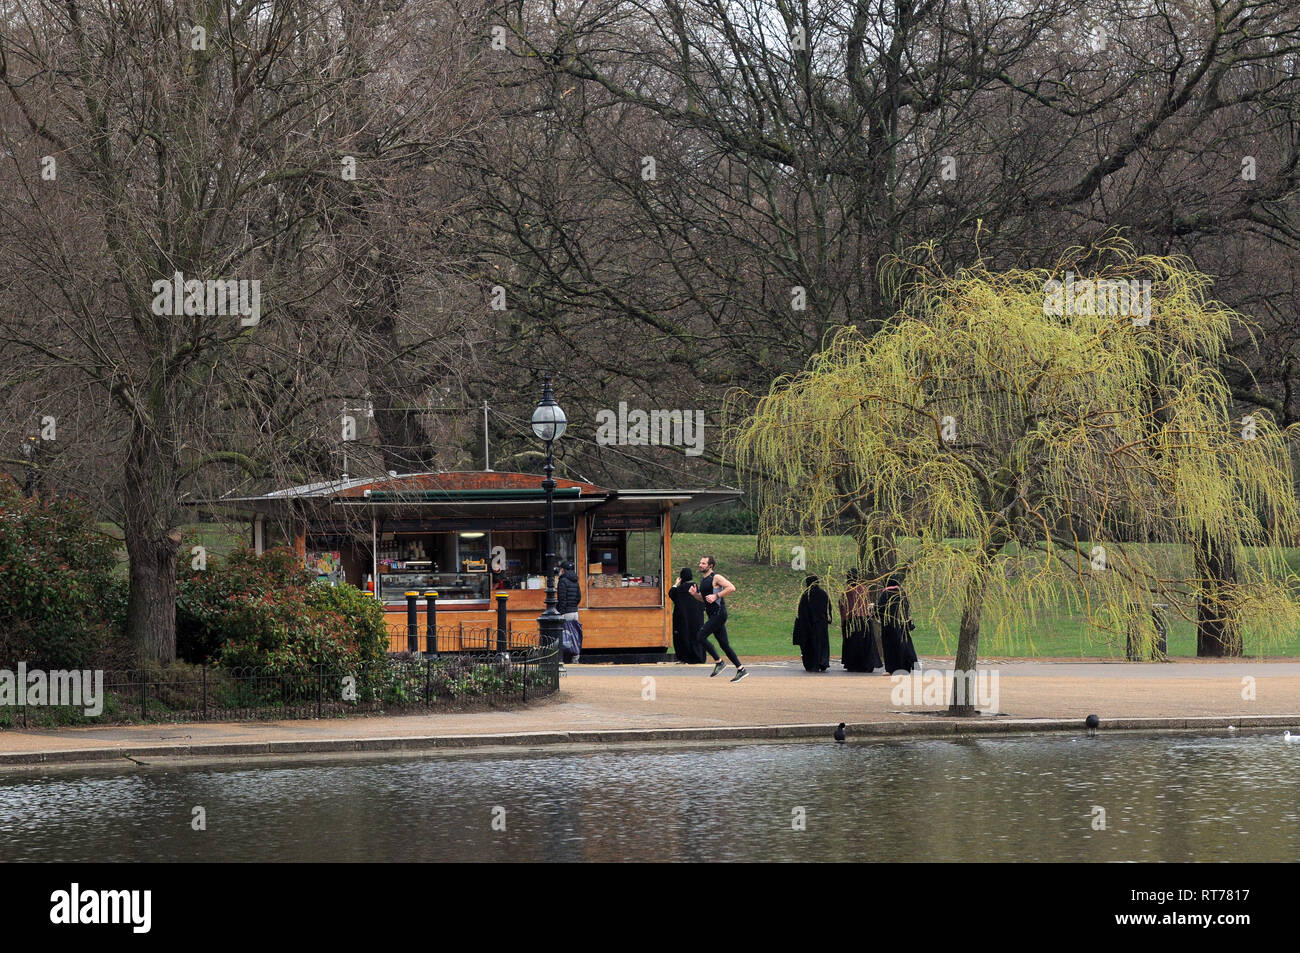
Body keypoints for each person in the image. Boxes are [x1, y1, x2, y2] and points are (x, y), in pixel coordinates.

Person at [691, 554, 748, 681]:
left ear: (711, 566)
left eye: (704, 563)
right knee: (724, 645)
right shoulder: (703, 580)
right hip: (713, 615)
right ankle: (741, 669)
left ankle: (719, 662)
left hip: (719, 614)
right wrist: (695, 595)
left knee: (700, 636)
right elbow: (705, 600)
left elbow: (732, 588)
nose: (700, 565)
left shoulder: (715, 577)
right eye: (700, 563)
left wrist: (716, 596)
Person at [839, 568, 882, 672]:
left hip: (851, 621)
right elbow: (866, 604)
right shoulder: (864, 589)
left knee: (853, 643)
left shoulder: (847, 591)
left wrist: (844, 621)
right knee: (865, 644)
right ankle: (866, 664)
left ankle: (853, 664)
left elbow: (843, 607)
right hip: (864, 619)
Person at [877, 572, 920, 674]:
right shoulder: (902, 593)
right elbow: (906, 607)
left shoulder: (885, 593)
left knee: (891, 648)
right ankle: (906, 667)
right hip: (902, 624)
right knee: (904, 644)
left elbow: (881, 608)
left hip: (889, 626)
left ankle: (891, 669)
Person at [794, 575, 832, 671]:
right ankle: (822, 662)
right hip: (821, 624)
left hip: (809, 625)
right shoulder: (823, 594)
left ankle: (812, 664)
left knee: (810, 645)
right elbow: (828, 609)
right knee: (822, 644)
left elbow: (802, 612)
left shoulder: (806, 595)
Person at [669, 567, 707, 663]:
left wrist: (675, 584)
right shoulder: (696, 588)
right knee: (696, 636)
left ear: (681, 578)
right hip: (697, 617)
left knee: (683, 636)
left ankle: (684, 658)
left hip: (682, 618)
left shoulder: (679, 590)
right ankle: (699, 657)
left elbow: (671, 593)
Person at [556, 560, 582, 664]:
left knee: (563, 635)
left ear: (563, 570)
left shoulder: (562, 581)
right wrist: (574, 606)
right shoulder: (575, 580)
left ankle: (562, 657)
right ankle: (575, 657)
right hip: (575, 612)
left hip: (566, 612)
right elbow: (579, 597)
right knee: (575, 635)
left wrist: (561, 612)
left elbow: (562, 598)